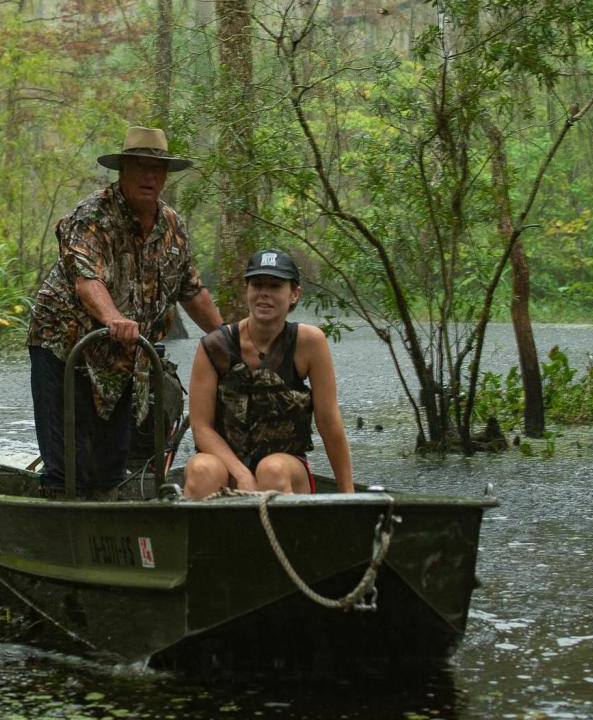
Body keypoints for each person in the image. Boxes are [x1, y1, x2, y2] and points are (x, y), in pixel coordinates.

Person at [27, 126, 223, 497]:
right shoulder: (91, 216)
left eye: (157, 169)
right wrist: (113, 317)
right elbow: (87, 280)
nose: (149, 176)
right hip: (64, 346)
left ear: (165, 176)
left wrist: (227, 339)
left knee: (110, 466)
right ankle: (58, 510)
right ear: (123, 171)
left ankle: (111, 514)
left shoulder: (172, 226)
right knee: (67, 466)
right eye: (140, 167)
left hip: (123, 353)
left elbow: (192, 290)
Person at [183, 248, 353, 499]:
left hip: (286, 466)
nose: (264, 293)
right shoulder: (214, 346)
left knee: (272, 470)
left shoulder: (309, 342)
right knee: (201, 469)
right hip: (227, 464)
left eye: (275, 286)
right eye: (257, 285)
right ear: (247, 290)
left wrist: (348, 495)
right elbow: (201, 427)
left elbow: (329, 422)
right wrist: (242, 474)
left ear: (294, 294)